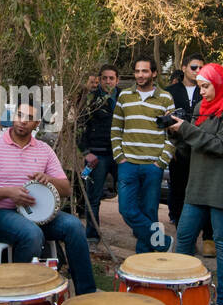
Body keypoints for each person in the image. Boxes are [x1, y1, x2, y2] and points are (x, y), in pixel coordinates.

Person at [0, 102, 97, 294]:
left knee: (74, 226)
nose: (22, 122)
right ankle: (21, 295)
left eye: (29, 118)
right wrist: (9, 192)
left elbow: (66, 189)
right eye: (19, 115)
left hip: (36, 216)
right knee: (32, 234)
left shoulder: (44, 150)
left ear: (37, 123)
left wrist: (49, 179)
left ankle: (86, 295)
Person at [167, 63, 223, 305]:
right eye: (199, 86)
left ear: (220, 83)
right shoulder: (201, 109)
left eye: (206, 86)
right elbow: (192, 147)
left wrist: (186, 129)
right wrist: (175, 134)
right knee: (183, 237)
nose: (201, 92)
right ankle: (178, 294)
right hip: (199, 184)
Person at [111, 57, 175, 253]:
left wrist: (161, 162)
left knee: (149, 212)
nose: (140, 75)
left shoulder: (165, 98)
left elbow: (172, 135)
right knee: (126, 210)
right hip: (127, 163)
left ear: (154, 73)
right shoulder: (124, 97)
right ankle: (163, 242)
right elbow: (116, 129)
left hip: (152, 165)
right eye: (137, 71)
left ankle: (144, 257)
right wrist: (120, 157)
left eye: (145, 71)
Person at [168, 55, 207, 251]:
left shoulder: (207, 91)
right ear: (184, 68)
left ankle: (205, 238)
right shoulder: (170, 92)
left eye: (201, 67)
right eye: (193, 66)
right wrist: (169, 148)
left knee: (201, 195)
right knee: (178, 192)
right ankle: (184, 239)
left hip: (202, 151)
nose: (197, 70)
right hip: (178, 151)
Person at [78, 65, 119, 240]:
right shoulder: (89, 99)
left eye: (111, 78)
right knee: (93, 198)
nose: (108, 81)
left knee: (129, 198)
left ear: (117, 80)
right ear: (100, 79)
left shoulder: (125, 97)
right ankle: (92, 236)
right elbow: (78, 127)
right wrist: (86, 152)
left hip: (121, 155)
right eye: (104, 78)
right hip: (97, 156)